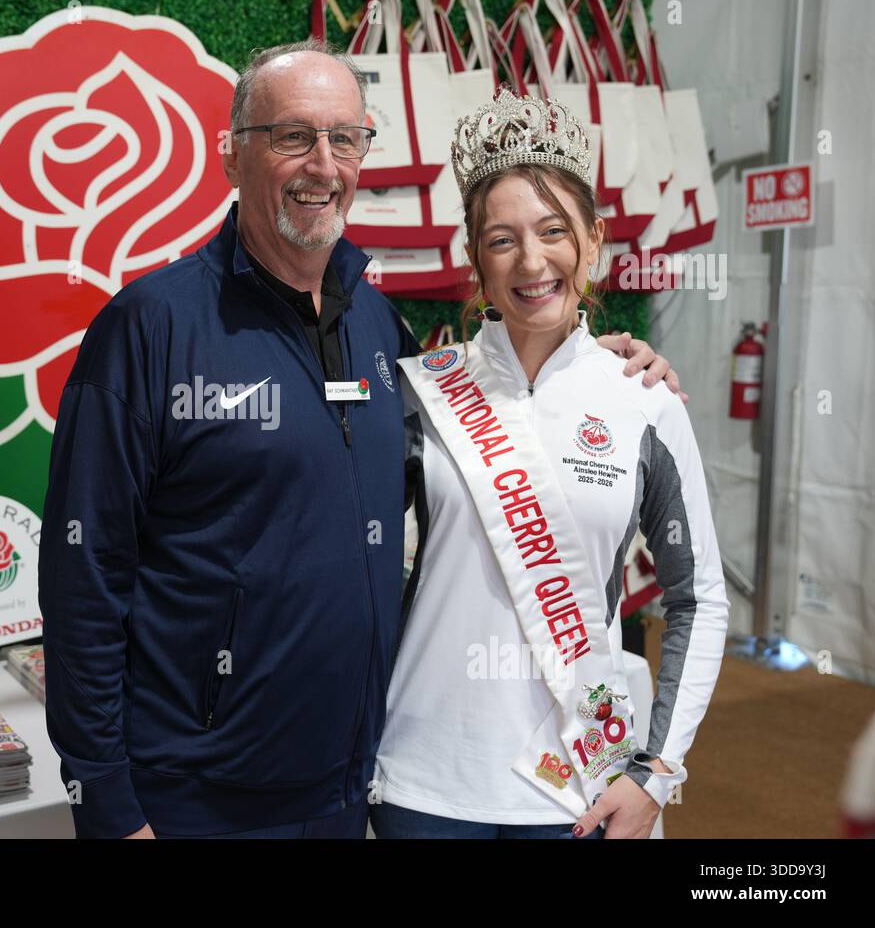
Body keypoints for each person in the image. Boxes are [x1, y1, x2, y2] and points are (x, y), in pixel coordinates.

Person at [39, 42, 680, 839]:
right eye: (292, 136)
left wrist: (605, 364)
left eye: (345, 138)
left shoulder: (381, 328)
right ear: (233, 155)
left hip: (351, 788)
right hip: (194, 799)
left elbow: (510, 406)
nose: (323, 163)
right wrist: (105, 800)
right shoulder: (150, 328)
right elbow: (82, 576)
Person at [370, 89, 729, 839]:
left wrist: (659, 770)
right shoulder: (423, 393)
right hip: (426, 776)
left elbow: (698, 597)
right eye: (501, 240)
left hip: (577, 786)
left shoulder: (645, 401)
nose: (532, 262)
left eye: (554, 232)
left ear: (593, 242)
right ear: (476, 258)